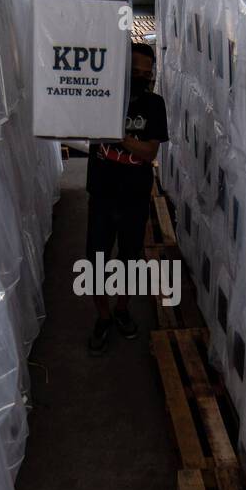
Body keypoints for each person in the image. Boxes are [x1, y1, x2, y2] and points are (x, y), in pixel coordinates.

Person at [85, 42, 169, 355]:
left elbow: (150, 152)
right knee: (96, 260)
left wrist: (118, 135)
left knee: (129, 259)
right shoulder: (100, 97)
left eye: (146, 73)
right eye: (134, 71)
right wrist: (130, 140)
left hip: (134, 195)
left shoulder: (155, 105)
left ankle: (121, 309)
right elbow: (80, 126)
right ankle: (103, 317)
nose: (141, 77)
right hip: (102, 193)